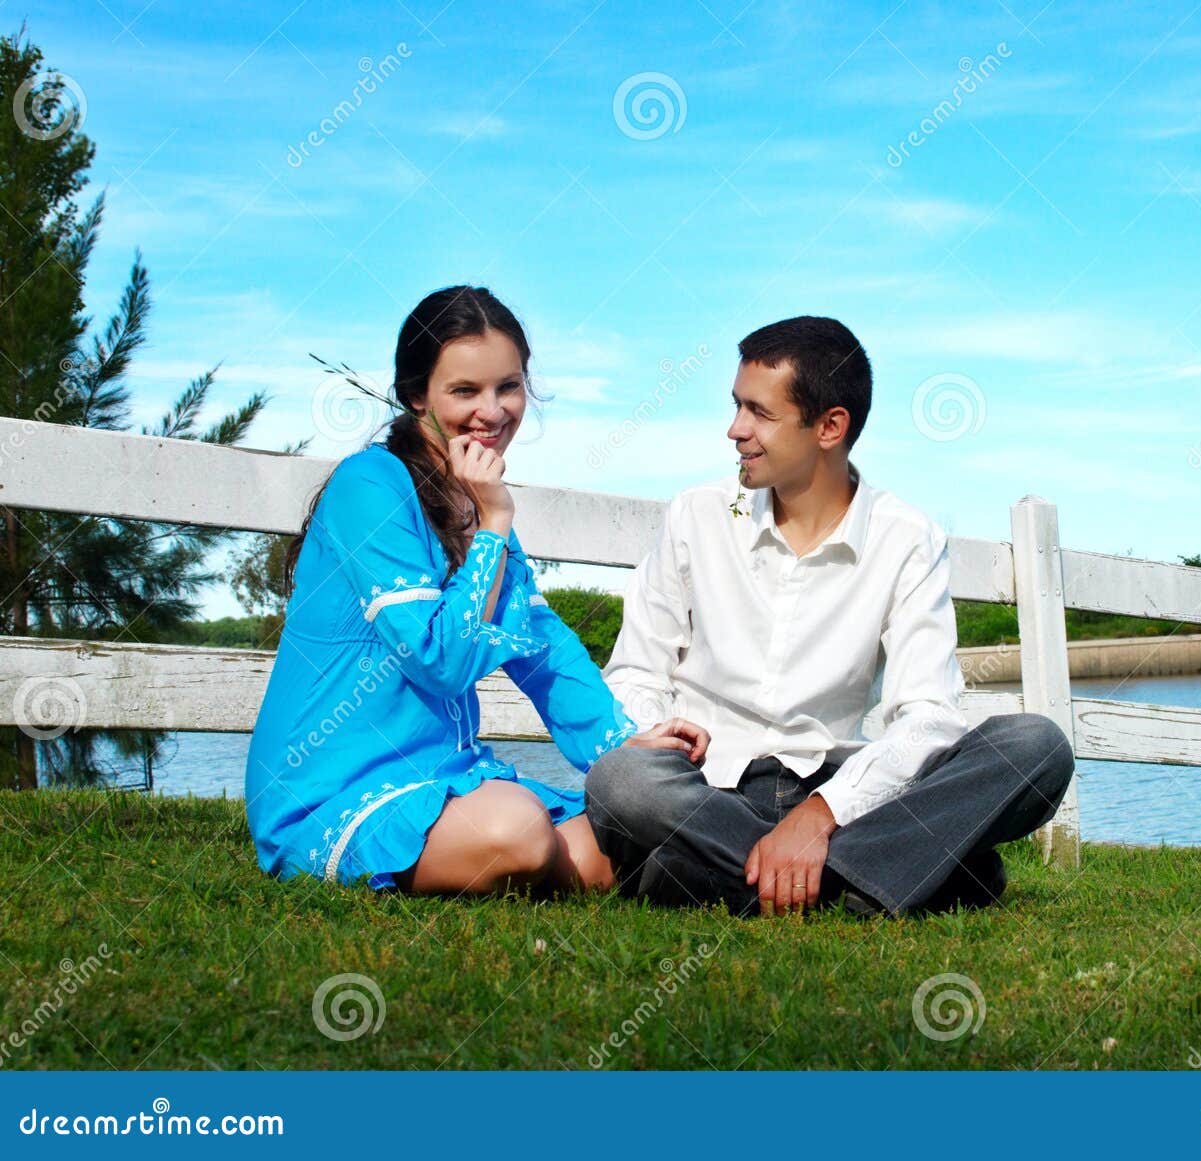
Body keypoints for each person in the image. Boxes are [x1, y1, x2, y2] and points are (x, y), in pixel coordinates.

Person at [587, 315, 1074, 917]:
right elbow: (636, 670)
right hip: (707, 788)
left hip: (839, 788)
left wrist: (822, 816)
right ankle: (889, 874)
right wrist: (651, 728)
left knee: (1036, 746)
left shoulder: (907, 538)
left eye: (758, 413)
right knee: (622, 782)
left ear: (830, 426)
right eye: (737, 406)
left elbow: (927, 716)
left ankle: (725, 874)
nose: (734, 430)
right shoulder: (696, 514)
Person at [246, 286, 704, 896]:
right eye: (465, 391)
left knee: (615, 844)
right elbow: (440, 662)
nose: (492, 411)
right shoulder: (370, 486)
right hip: (333, 784)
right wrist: (493, 524)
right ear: (416, 396)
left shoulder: (471, 504)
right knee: (518, 831)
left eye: (507, 387)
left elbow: (543, 651)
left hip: (448, 775)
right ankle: (502, 852)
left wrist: (624, 746)